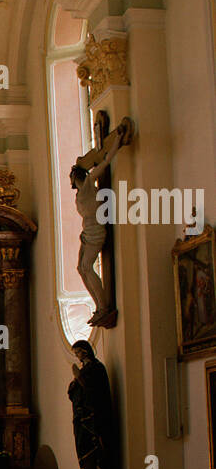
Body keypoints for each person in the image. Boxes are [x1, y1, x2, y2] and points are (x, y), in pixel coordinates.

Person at [70, 116, 133, 328]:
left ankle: (104, 307)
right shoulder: (80, 193)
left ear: (76, 176)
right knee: (81, 268)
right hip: (87, 232)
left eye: (72, 176)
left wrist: (116, 142)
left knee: (87, 267)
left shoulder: (89, 183)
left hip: (96, 232)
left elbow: (105, 161)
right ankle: (98, 307)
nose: (71, 179)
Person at [68, 340, 123, 469]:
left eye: (78, 352)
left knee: (94, 445)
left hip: (93, 417)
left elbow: (95, 391)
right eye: (75, 353)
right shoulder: (86, 369)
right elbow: (74, 393)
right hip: (81, 417)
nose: (77, 356)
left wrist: (79, 378)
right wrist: (75, 383)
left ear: (85, 351)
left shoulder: (97, 368)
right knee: (82, 446)